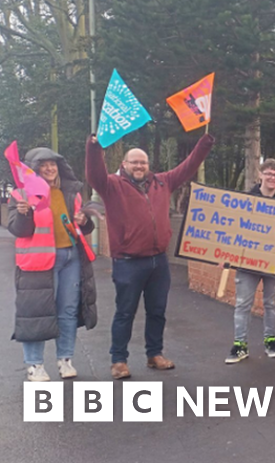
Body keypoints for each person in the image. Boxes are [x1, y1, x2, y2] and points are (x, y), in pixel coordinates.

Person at [86, 132, 214, 379]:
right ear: (124, 164)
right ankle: (119, 360)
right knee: (125, 312)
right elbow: (93, 174)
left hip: (159, 261)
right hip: (127, 262)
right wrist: (94, 148)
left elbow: (189, 167)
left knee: (157, 311)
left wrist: (204, 143)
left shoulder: (163, 182)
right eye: (134, 162)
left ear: (148, 165)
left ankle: (154, 354)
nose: (139, 165)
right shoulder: (111, 185)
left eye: (142, 162)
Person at [7, 148, 98, 381]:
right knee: (37, 312)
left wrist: (84, 221)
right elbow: (18, 230)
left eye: (53, 164)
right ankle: (34, 365)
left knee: (67, 311)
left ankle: (65, 360)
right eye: (43, 165)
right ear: (33, 169)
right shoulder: (21, 194)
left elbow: (82, 228)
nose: (49, 168)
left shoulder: (71, 192)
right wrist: (24, 214)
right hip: (38, 262)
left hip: (71, 258)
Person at [226, 158, 275, 363]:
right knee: (242, 304)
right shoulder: (246, 200)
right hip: (248, 261)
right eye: (269, 173)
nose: (273, 177)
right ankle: (240, 345)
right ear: (260, 175)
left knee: (271, 303)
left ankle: (270, 341)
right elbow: (233, 227)